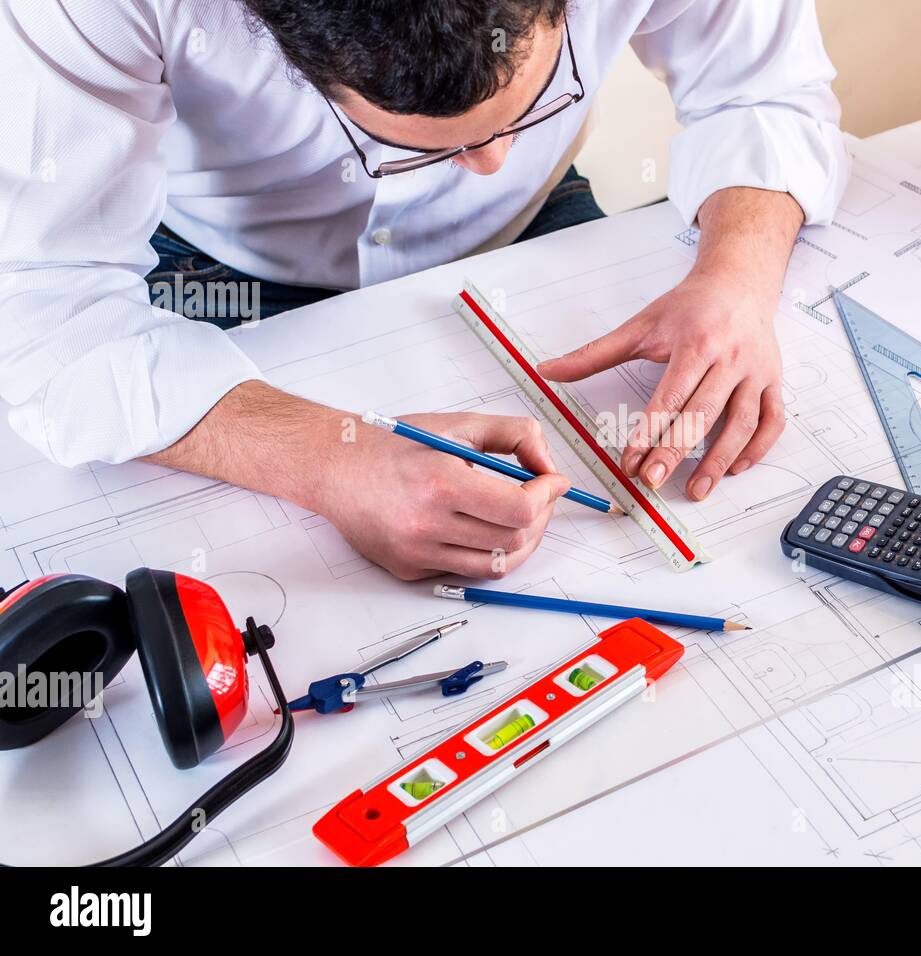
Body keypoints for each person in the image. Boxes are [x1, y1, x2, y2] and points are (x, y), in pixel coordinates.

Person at [0, 0, 848, 581]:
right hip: (217, 260)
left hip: (533, 224)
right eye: (413, 145)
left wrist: (738, 272)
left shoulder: (508, 166)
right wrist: (327, 459)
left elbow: (762, 87)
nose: (488, 166)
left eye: (527, 109)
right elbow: (41, 309)